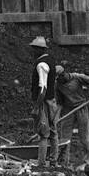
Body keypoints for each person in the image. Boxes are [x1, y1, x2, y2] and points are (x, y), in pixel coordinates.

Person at [55, 63, 89, 170]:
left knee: (84, 137)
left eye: (59, 78)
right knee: (64, 138)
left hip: (81, 107)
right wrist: (56, 117)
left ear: (63, 75)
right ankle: (64, 163)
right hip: (67, 110)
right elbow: (59, 103)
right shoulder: (57, 85)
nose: (58, 81)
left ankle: (87, 163)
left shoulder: (77, 77)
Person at [29, 35, 60, 168]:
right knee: (53, 131)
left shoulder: (41, 64)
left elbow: (43, 87)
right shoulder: (50, 61)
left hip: (44, 102)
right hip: (51, 101)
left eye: (34, 49)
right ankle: (54, 161)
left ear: (40, 50)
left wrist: (37, 107)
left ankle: (41, 164)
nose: (33, 51)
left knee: (43, 133)